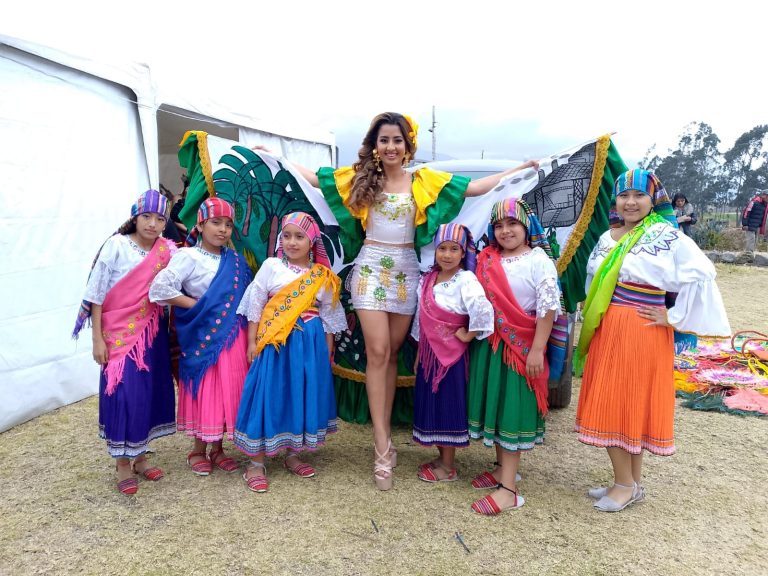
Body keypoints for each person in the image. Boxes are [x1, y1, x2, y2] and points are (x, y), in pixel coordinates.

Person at [271, 112, 538, 490]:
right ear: (375, 145)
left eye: (397, 140)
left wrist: (518, 170)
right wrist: (277, 159)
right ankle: (382, 444)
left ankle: (388, 442)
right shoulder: (361, 178)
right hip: (369, 270)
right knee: (377, 351)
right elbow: (316, 179)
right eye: (384, 140)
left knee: (393, 354)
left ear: (407, 144)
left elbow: (474, 190)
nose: (390, 147)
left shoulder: (423, 180)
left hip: (407, 272)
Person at [574, 169, 731, 512]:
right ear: (615, 200)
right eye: (624, 195)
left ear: (653, 199)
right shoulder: (607, 237)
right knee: (618, 401)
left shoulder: (666, 236)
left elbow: (702, 273)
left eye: (639, 196)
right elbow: (593, 282)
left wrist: (673, 317)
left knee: (626, 403)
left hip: (643, 330)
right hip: (608, 326)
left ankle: (625, 485)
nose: (630, 202)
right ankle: (628, 483)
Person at [233, 212, 347, 492]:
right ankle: (255, 463)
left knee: (301, 393)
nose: (292, 242)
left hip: (310, 344)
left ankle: (293, 452)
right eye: (287, 236)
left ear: (312, 241)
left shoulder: (321, 276)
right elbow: (256, 304)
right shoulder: (272, 266)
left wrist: (326, 355)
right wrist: (251, 342)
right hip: (275, 342)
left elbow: (330, 320)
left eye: (300, 236)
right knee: (268, 394)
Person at [72, 189, 177, 495]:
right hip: (117, 336)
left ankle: (141, 458)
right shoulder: (116, 246)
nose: (153, 224)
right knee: (123, 395)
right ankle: (121, 463)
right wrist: (97, 340)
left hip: (151, 332)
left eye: (160, 219)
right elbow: (96, 294)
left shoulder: (167, 250)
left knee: (147, 393)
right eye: (147, 216)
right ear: (135, 216)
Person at [467, 198, 563, 515]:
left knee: (510, 415)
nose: (505, 231)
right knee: (496, 411)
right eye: (499, 225)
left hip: (520, 349)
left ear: (526, 226)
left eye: (512, 224)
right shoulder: (487, 257)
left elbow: (548, 307)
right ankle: (501, 470)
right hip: (490, 347)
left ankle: (509, 491)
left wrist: (537, 348)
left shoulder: (538, 260)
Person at [149, 197, 251, 477]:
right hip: (201, 337)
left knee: (226, 389)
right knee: (206, 388)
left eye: (228, 225)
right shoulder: (187, 256)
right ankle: (197, 449)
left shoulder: (236, 260)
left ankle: (218, 449)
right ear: (201, 224)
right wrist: (196, 305)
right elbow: (159, 289)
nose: (222, 230)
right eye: (216, 223)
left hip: (232, 337)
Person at [410, 223, 494, 483]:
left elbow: (483, 310)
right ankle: (440, 456)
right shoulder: (429, 279)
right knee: (432, 404)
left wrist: (468, 334)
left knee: (448, 405)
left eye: (453, 249)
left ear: (463, 252)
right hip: (429, 354)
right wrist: (418, 353)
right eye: (442, 248)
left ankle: (448, 467)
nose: (447, 254)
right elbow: (420, 319)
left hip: (451, 357)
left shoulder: (466, 279)